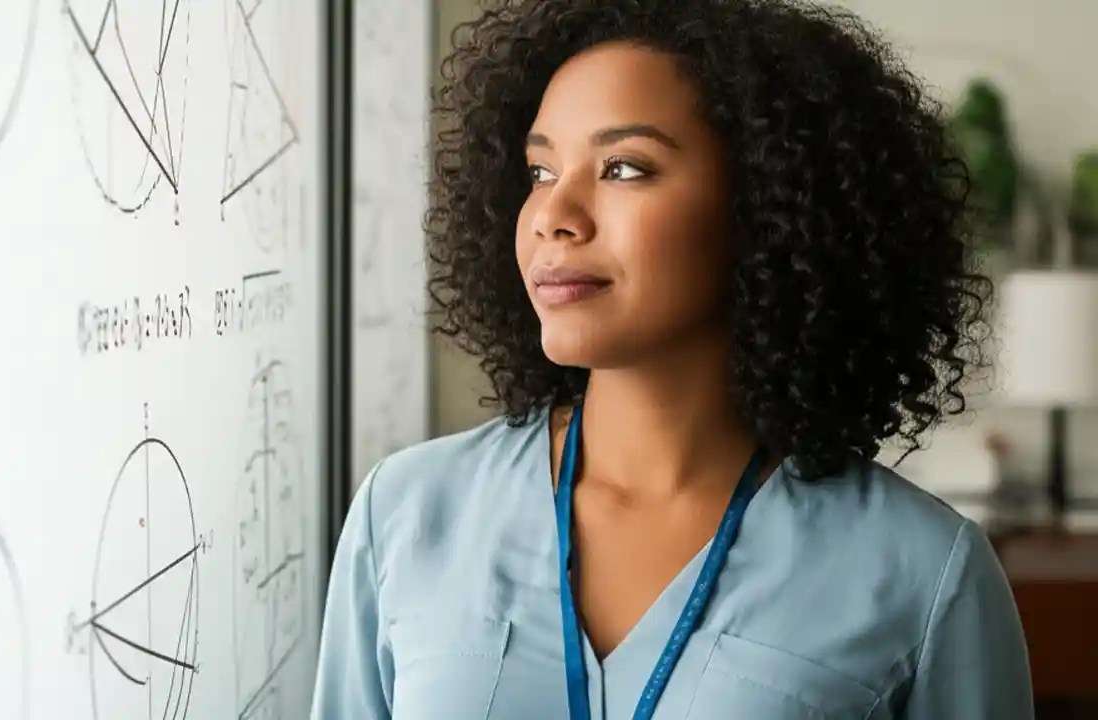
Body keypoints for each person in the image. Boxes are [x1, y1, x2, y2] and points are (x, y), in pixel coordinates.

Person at [313, 0, 1033, 717]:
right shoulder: (405, 513)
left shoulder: (925, 573)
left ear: (767, 203)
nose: (553, 215)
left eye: (624, 168)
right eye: (538, 171)